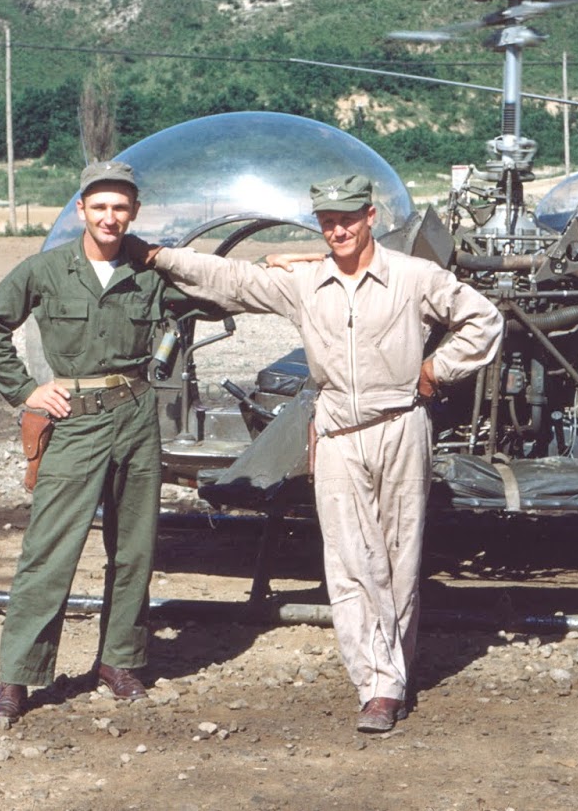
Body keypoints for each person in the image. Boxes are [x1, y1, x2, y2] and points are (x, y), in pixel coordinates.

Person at [132, 173, 503, 733]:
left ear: (370, 217)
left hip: (400, 426)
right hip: (336, 433)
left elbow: (484, 320)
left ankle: (393, 670)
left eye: (348, 219)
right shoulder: (306, 282)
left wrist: (436, 370)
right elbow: (231, 279)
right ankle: (377, 687)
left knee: (399, 557)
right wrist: (159, 256)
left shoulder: (414, 277)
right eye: (328, 222)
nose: (338, 231)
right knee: (349, 562)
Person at [0, 159, 208, 726]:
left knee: (134, 548)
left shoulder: (150, 273)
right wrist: (26, 391)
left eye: (120, 207)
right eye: (99, 206)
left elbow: (217, 293)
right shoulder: (46, 270)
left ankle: (119, 660)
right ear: (81, 209)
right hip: (74, 422)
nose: (109, 217)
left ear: (134, 212)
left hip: (136, 417)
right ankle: (17, 677)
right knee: (49, 550)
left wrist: (283, 264)